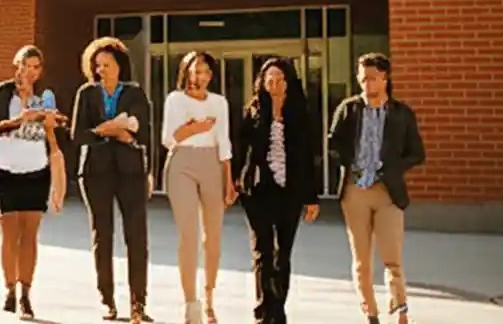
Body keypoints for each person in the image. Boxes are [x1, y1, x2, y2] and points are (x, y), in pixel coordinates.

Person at [328, 53, 426, 324]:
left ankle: (400, 309)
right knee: (361, 260)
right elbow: (332, 141)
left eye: (371, 78)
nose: (366, 84)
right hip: (355, 191)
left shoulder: (401, 114)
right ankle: (370, 312)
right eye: (362, 79)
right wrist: (348, 161)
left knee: (392, 256)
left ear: (385, 77)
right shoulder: (348, 108)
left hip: (387, 192)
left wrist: (394, 168)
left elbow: (417, 153)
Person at [70, 36, 153, 324]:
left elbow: (142, 134)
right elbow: (78, 135)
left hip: (131, 173)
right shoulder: (86, 93)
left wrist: (106, 130)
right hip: (95, 173)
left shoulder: (135, 93)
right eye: (97, 65)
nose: (101, 69)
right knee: (102, 236)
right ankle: (107, 301)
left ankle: (138, 304)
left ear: (120, 66)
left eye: (106, 64)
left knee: (137, 238)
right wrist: (114, 129)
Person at [234, 57, 320, 324]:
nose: (274, 85)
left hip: (290, 191)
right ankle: (262, 311)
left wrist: (311, 197)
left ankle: (278, 309)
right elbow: (240, 150)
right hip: (258, 191)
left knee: (283, 253)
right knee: (263, 252)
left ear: (289, 82)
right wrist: (236, 181)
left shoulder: (300, 114)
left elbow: (308, 157)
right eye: (269, 80)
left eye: (279, 80)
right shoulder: (253, 112)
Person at [0, 45, 68, 320]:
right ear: (17, 65)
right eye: (27, 65)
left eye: (36, 67)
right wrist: (21, 119)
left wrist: (53, 121)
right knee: (9, 231)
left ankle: (26, 294)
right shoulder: (4, 91)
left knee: (30, 234)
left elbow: (51, 132)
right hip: (5, 168)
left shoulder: (45, 96)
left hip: (36, 169)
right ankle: (9, 288)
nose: (31, 71)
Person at [161, 51, 236, 324]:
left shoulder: (219, 102)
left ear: (211, 75)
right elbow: (169, 138)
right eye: (195, 70)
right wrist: (195, 128)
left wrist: (229, 179)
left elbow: (224, 142)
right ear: (186, 71)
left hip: (213, 164)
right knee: (188, 235)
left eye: (205, 71)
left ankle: (209, 297)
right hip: (182, 162)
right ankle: (191, 303)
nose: (200, 76)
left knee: (213, 238)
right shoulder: (175, 99)